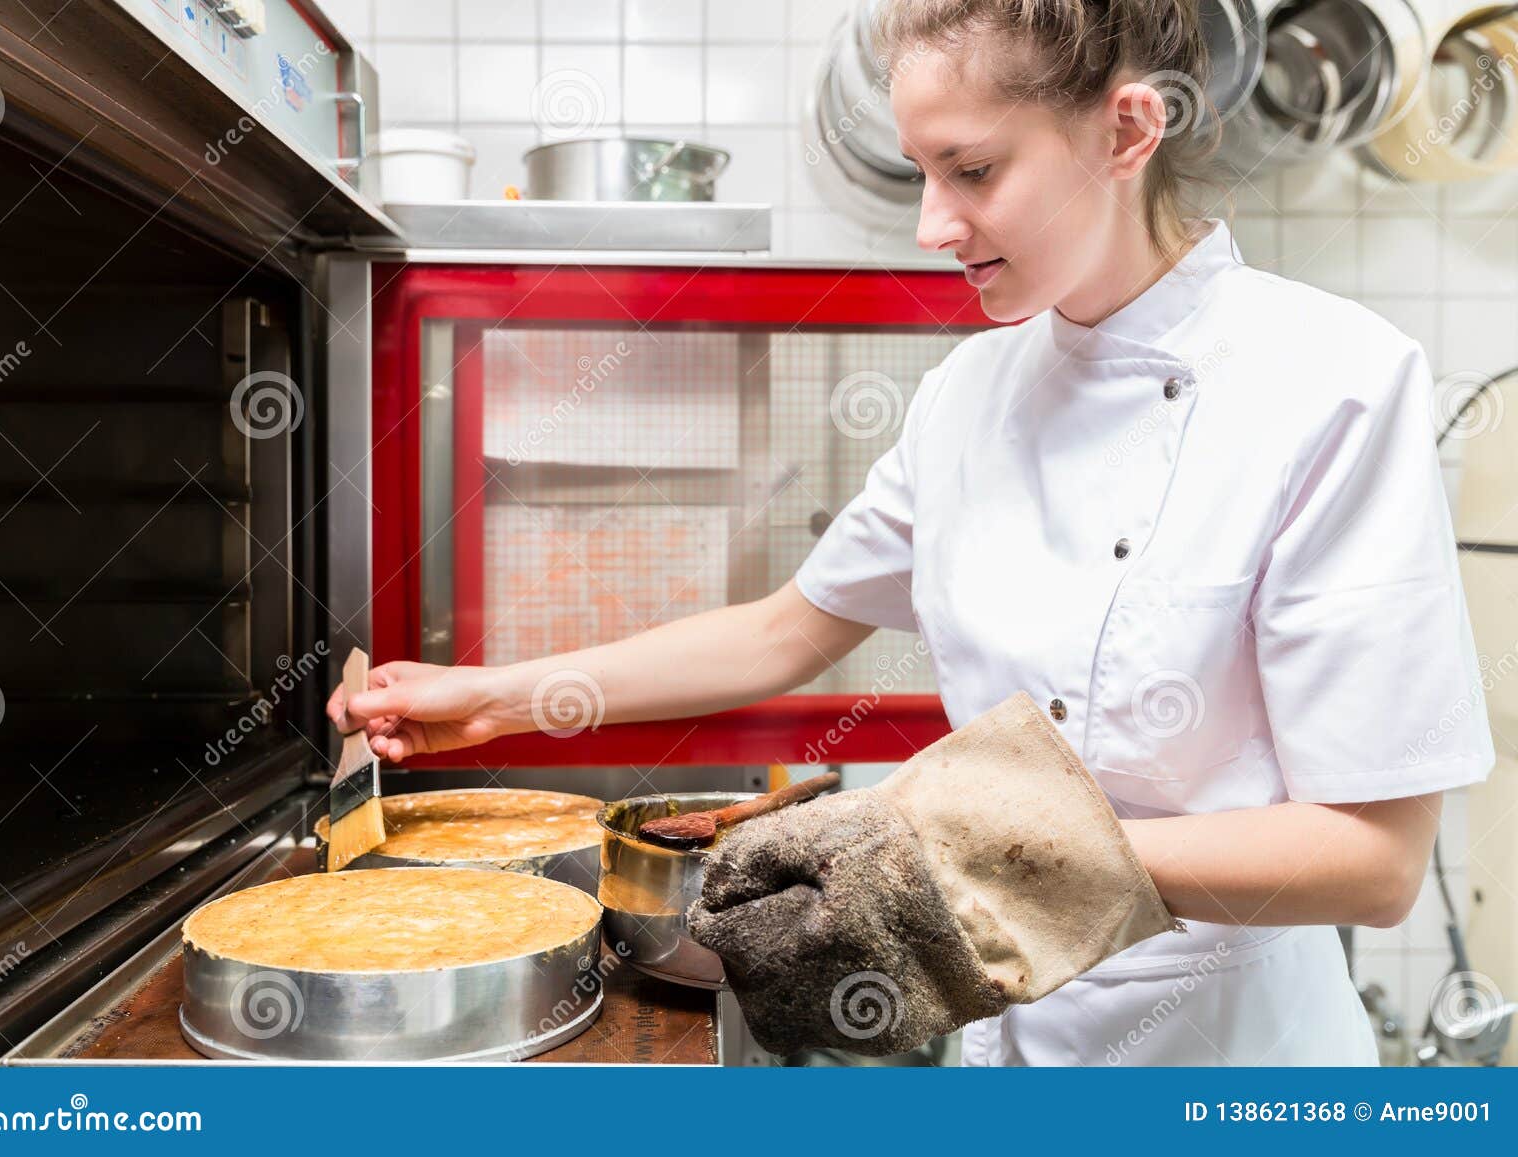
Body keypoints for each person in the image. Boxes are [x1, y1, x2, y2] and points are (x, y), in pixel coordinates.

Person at [327, 0, 1493, 1065]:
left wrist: (947, 844)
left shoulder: (1329, 382)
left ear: (1128, 129)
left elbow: (1370, 857)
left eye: (972, 169)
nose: (935, 222)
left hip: (1224, 1056)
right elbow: (784, 632)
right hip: (997, 1031)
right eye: (921, 170)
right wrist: (498, 696)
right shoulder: (966, 395)